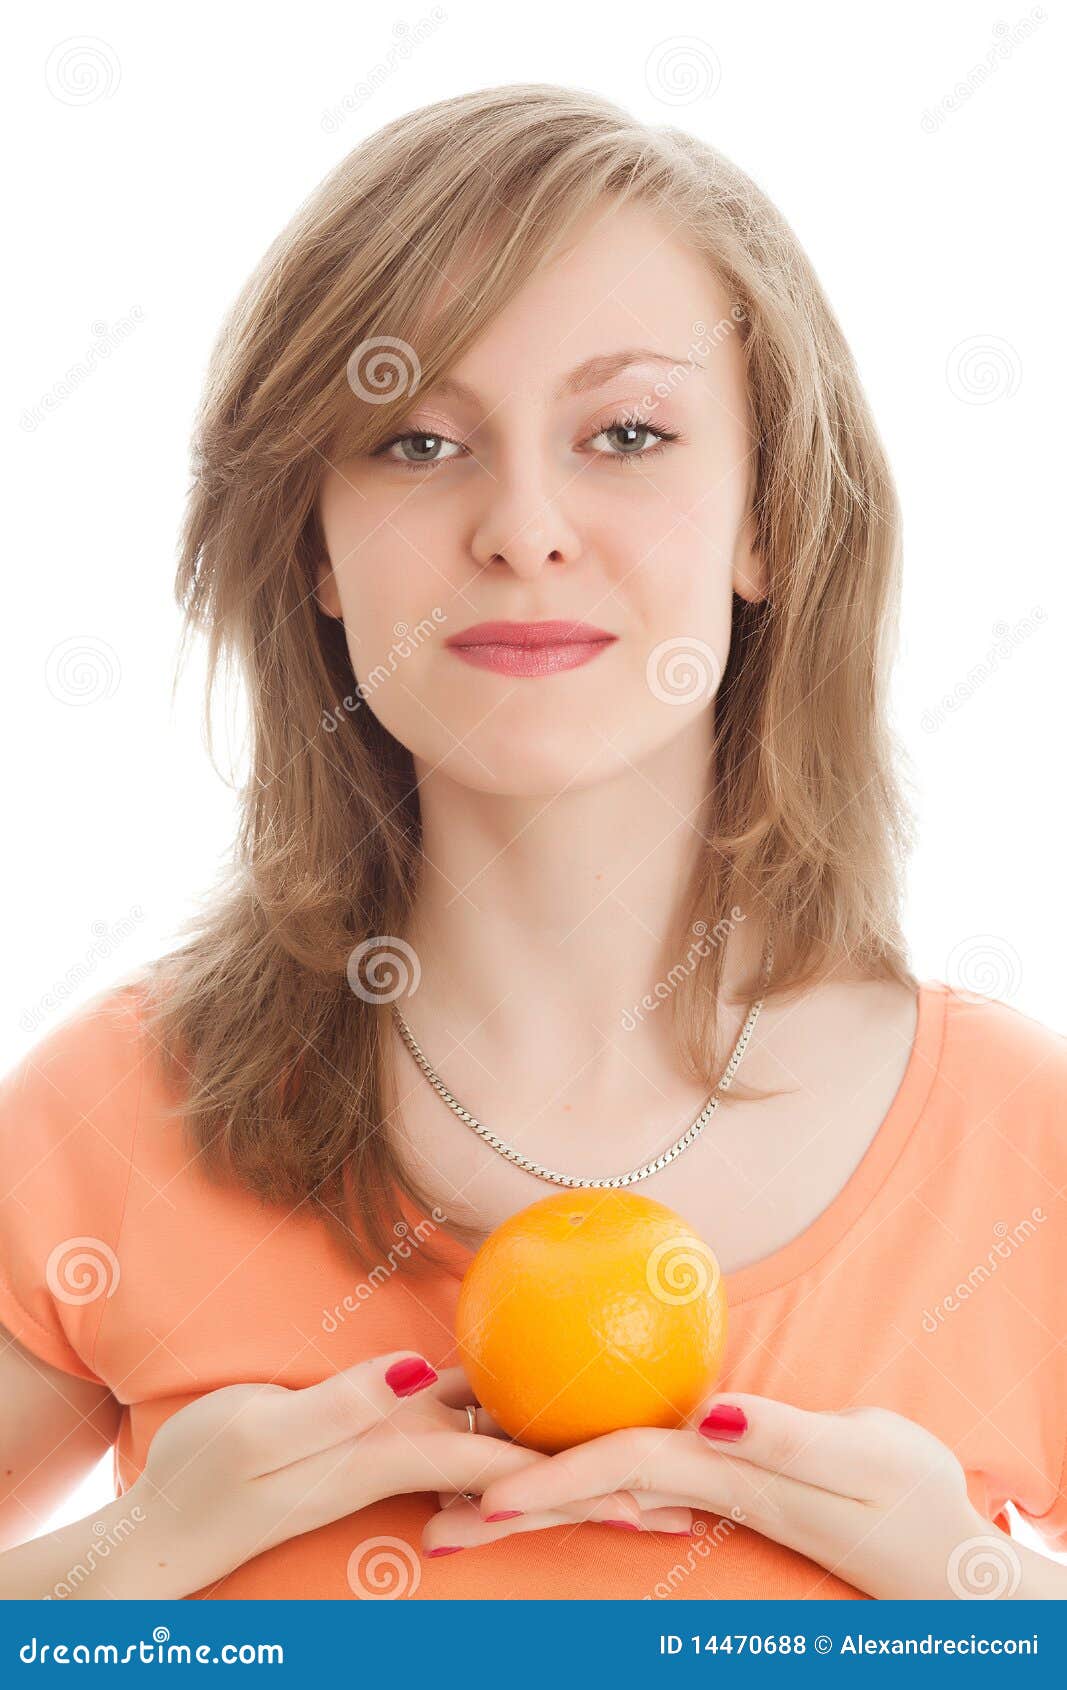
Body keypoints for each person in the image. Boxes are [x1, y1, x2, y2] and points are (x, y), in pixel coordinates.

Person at [1, 83, 1064, 1602]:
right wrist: (133, 1552)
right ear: (311, 542)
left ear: (766, 520)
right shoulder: (115, 1116)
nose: (522, 526)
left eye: (626, 432)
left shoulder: (1026, 1146)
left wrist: (978, 1593)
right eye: (416, 440)